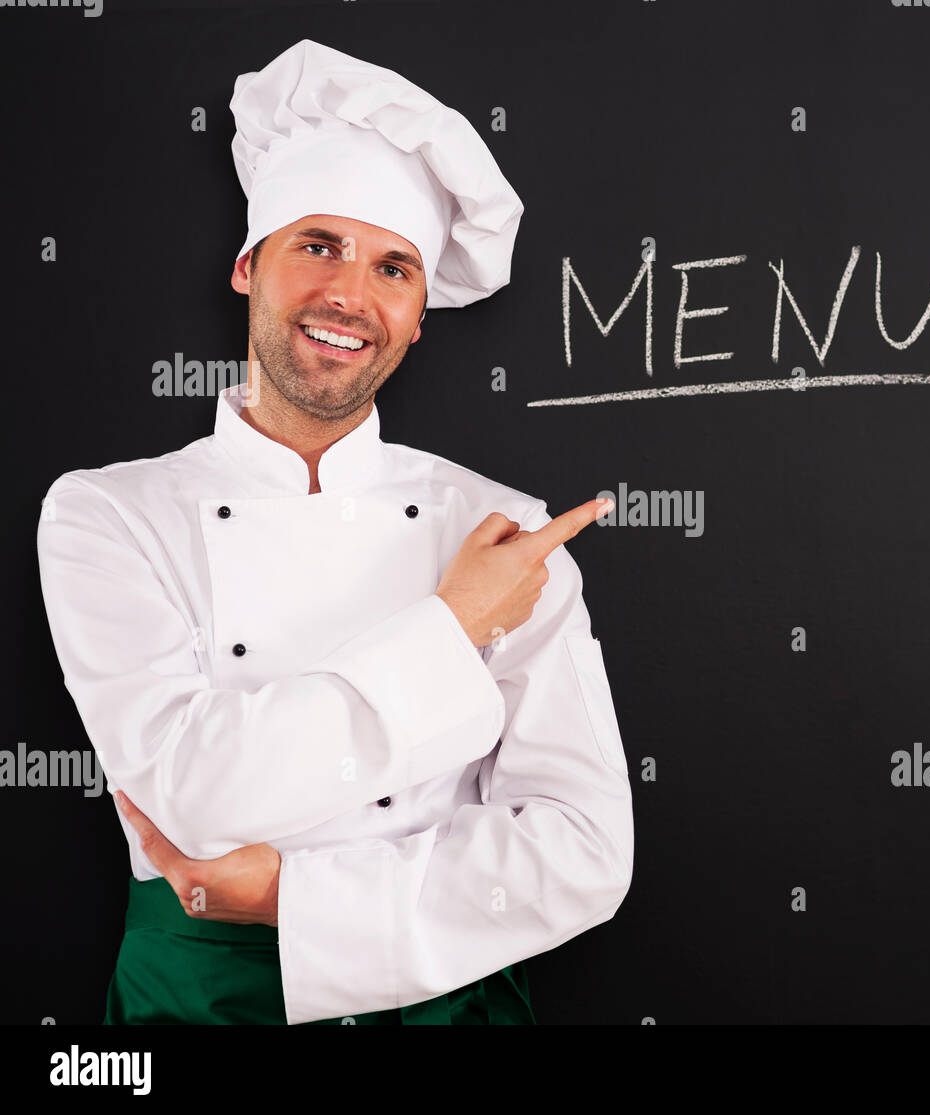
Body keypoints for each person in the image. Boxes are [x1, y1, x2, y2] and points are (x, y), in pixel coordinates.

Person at [35, 39, 634, 1026]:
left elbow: (584, 852)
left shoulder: (503, 527)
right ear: (247, 265)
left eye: (393, 266)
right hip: (198, 998)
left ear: (417, 317)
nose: (349, 293)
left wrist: (282, 896)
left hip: (453, 1002)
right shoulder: (108, 513)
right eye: (318, 243)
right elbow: (195, 790)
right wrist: (453, 623)